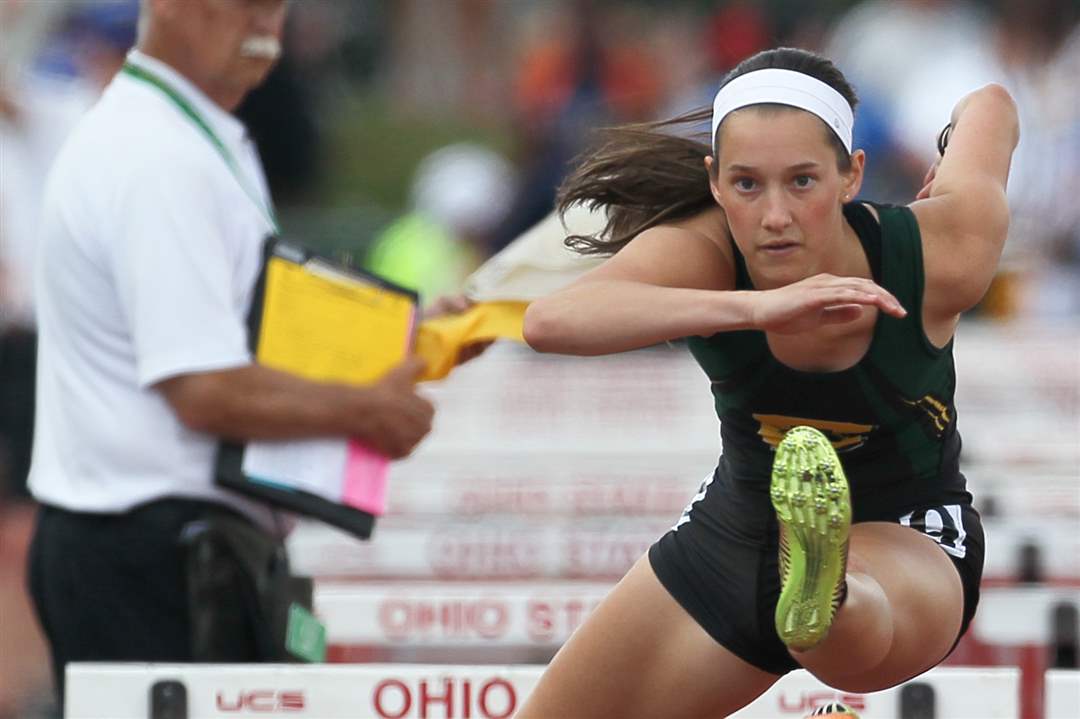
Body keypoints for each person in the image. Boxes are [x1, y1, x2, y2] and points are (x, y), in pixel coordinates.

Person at [521, 47, 1018, 717]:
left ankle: (826, 586)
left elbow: (992, 104)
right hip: (736, 534)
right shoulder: (703, 248)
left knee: (836, 625)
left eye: (803, 182)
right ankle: (815, 585)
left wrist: (953, 135)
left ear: (852, 175)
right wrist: (753, 307)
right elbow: (551, 321)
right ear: (716, 182)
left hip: (907, 534)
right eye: (748, 184)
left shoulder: (941, 249)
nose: (775, 215)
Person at [26, 0, 459, 706]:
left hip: (165, 541)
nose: (268, 17)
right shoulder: (158, 153)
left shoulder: (188, 136)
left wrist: (406, 338)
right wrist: (367, 408)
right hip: (152, 549)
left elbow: (241, 338)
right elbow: (202, 388)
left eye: (277, 0)